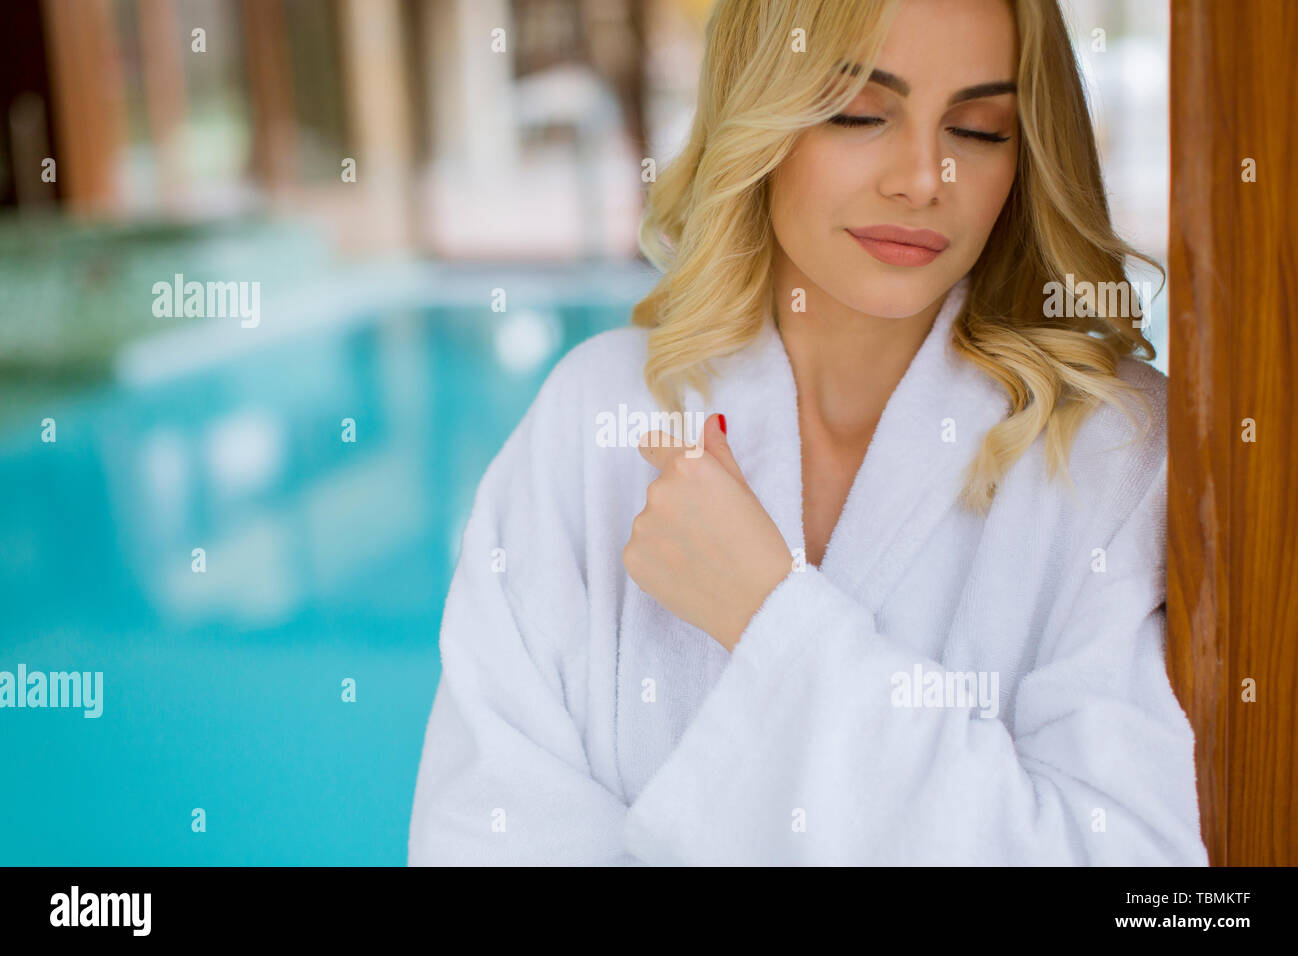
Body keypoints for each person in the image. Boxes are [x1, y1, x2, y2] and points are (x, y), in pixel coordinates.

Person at [408, 0, 1209, 865]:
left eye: (978, 129)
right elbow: (482, 833)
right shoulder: (596, 418)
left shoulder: (1114, 452)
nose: (923, 178)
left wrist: (769, 617)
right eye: (860, 114)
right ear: (758, 116)